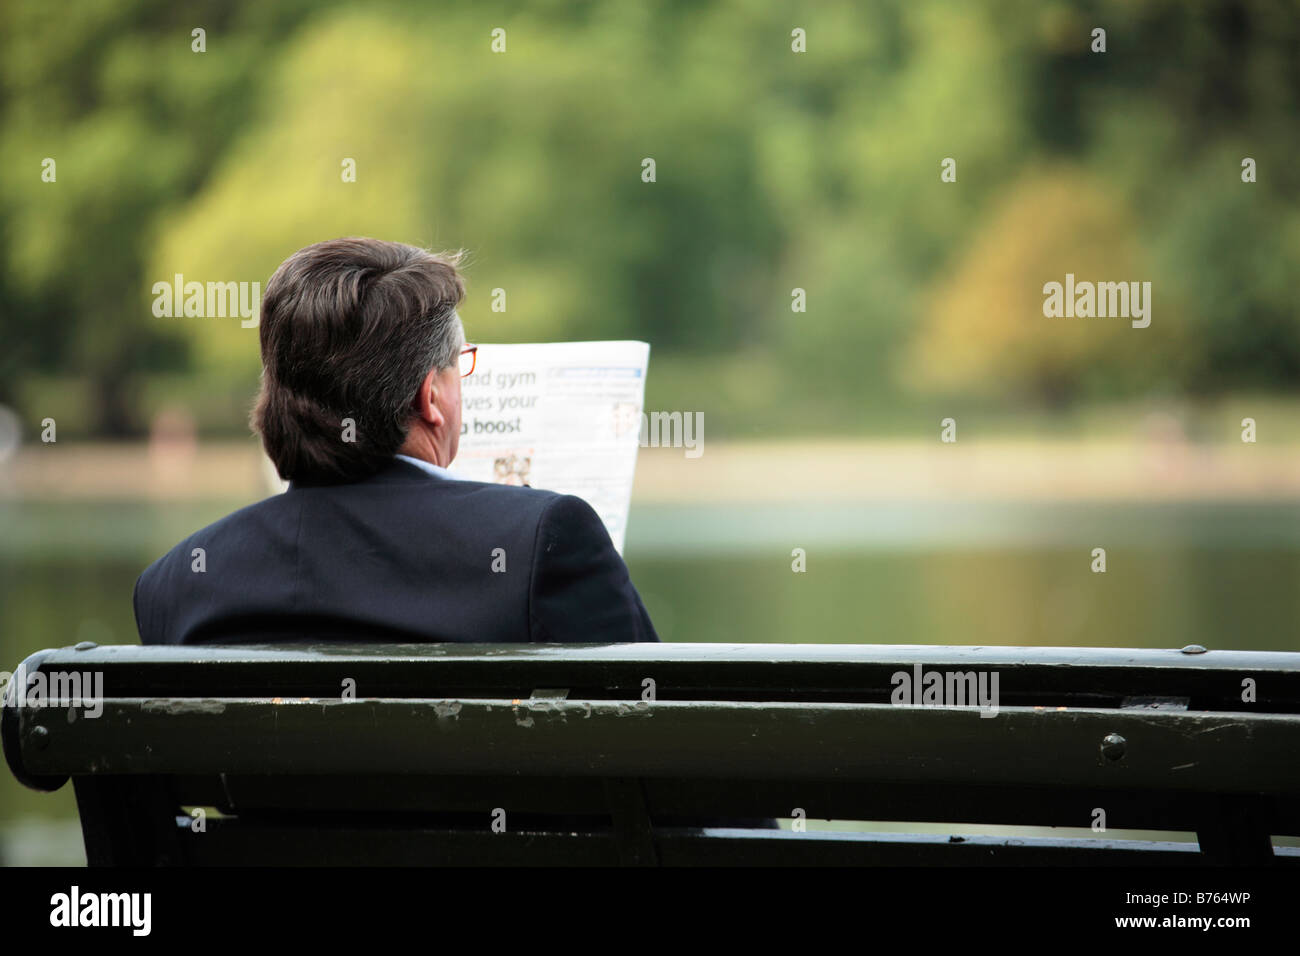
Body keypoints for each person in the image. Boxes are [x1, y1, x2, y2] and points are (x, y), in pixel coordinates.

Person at [133, 237, 659, 646]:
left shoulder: (176, 583)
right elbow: (659, 731)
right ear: (431, 396)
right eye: (459, 367)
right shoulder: (542, 542)